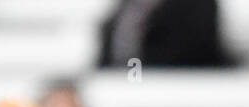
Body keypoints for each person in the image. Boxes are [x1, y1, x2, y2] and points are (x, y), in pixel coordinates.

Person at [98, 0, 233, 69]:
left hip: (172, 89)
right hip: (119, 86)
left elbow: (189, 51)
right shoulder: (129, 5)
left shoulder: (197, 5)